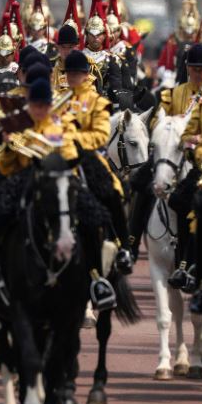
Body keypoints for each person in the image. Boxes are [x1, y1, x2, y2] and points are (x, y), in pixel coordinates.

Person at [59, 50, 130, 309]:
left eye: (77, 73)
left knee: (112, 190)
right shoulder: (59, 100)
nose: (73, 77)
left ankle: (123, 246)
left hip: (87, 157)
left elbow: (100, 136)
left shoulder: (98, 102)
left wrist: (74, 139)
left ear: (87, 75)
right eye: (69, 73)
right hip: (61, 157)